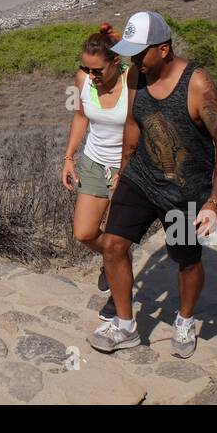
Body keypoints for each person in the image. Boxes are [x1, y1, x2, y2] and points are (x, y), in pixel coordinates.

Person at [87, 11, 217, 359]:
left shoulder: (199, 85)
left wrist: (214, 202)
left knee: (185, 260)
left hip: (185, 191)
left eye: (140, 53)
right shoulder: (137, 75)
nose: (133, 61)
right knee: (112, 244)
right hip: (141, 177)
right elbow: (133, 125)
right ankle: (125, 325)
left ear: (164, 49)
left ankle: (185, 318)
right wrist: (122, 173)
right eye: (130, 53)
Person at [60, 24, 131, 302]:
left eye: (97, 70)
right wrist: (69, 157)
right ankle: (114, 258)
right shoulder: (84, 80)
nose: (92, 76)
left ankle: (118, 294)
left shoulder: (132, 80)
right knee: (84, 232)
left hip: (124, 169)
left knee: (115, 237)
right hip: (93, 162)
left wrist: (127, 168)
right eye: (86, 68)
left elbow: (142, 126)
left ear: (116, 62)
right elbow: (80, 116)